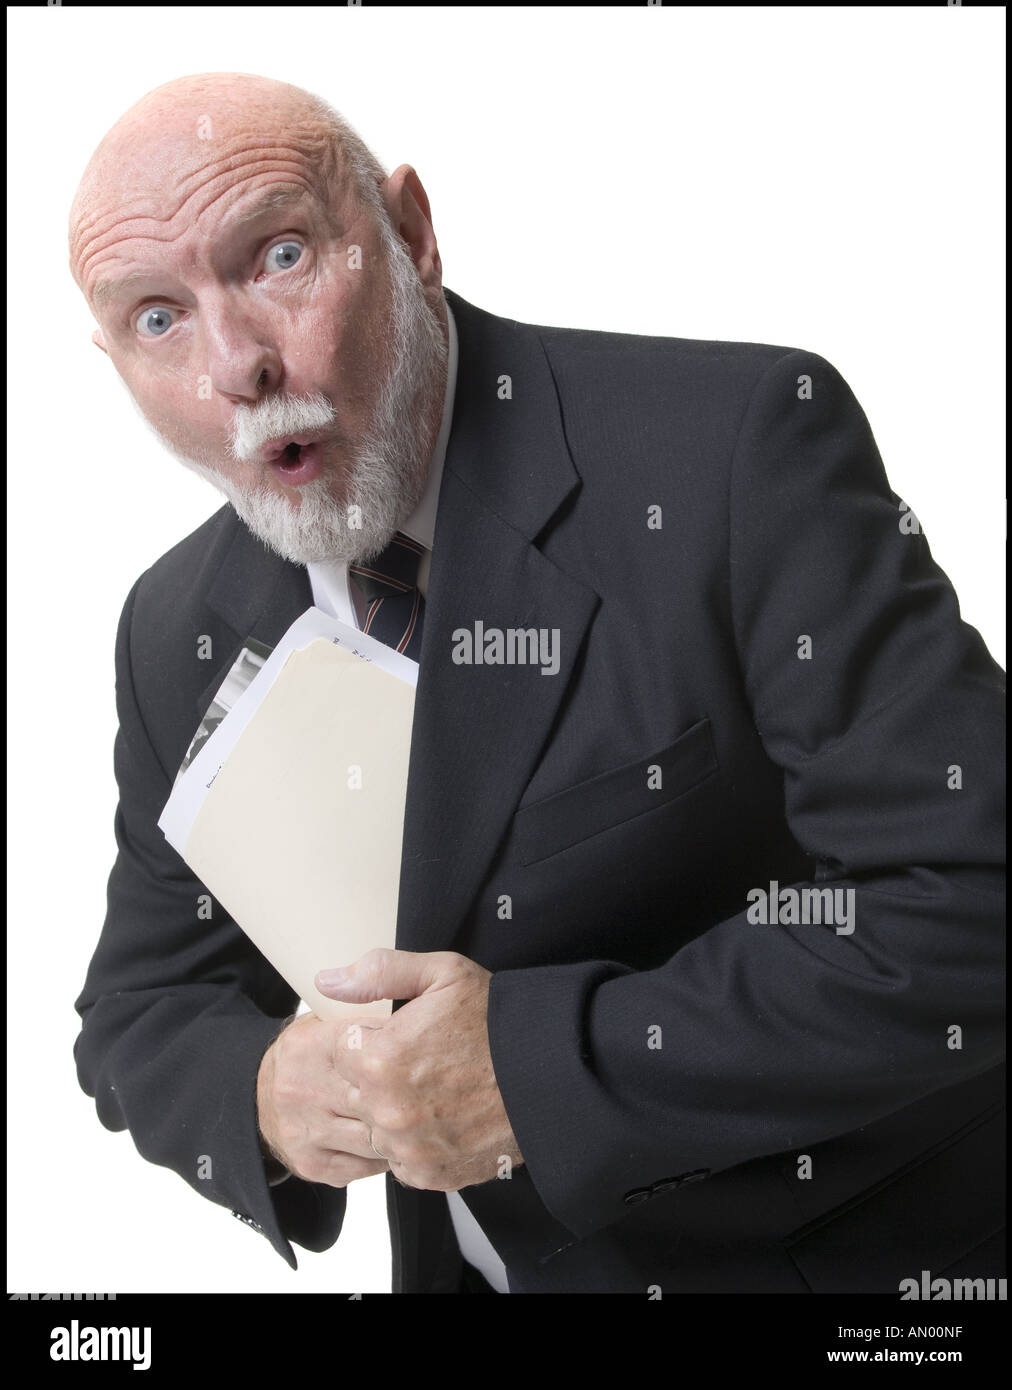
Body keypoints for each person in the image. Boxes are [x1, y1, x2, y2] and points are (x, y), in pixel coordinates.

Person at [71, 72, 1005, 1295]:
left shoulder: (733, 451)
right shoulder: (171, 626)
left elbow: (968, 896)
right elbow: (142, 1006)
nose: (234, 364)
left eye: (281, 254)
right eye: (157, 318)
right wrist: (261, 1092)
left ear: (407, 233)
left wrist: (538, 1072)